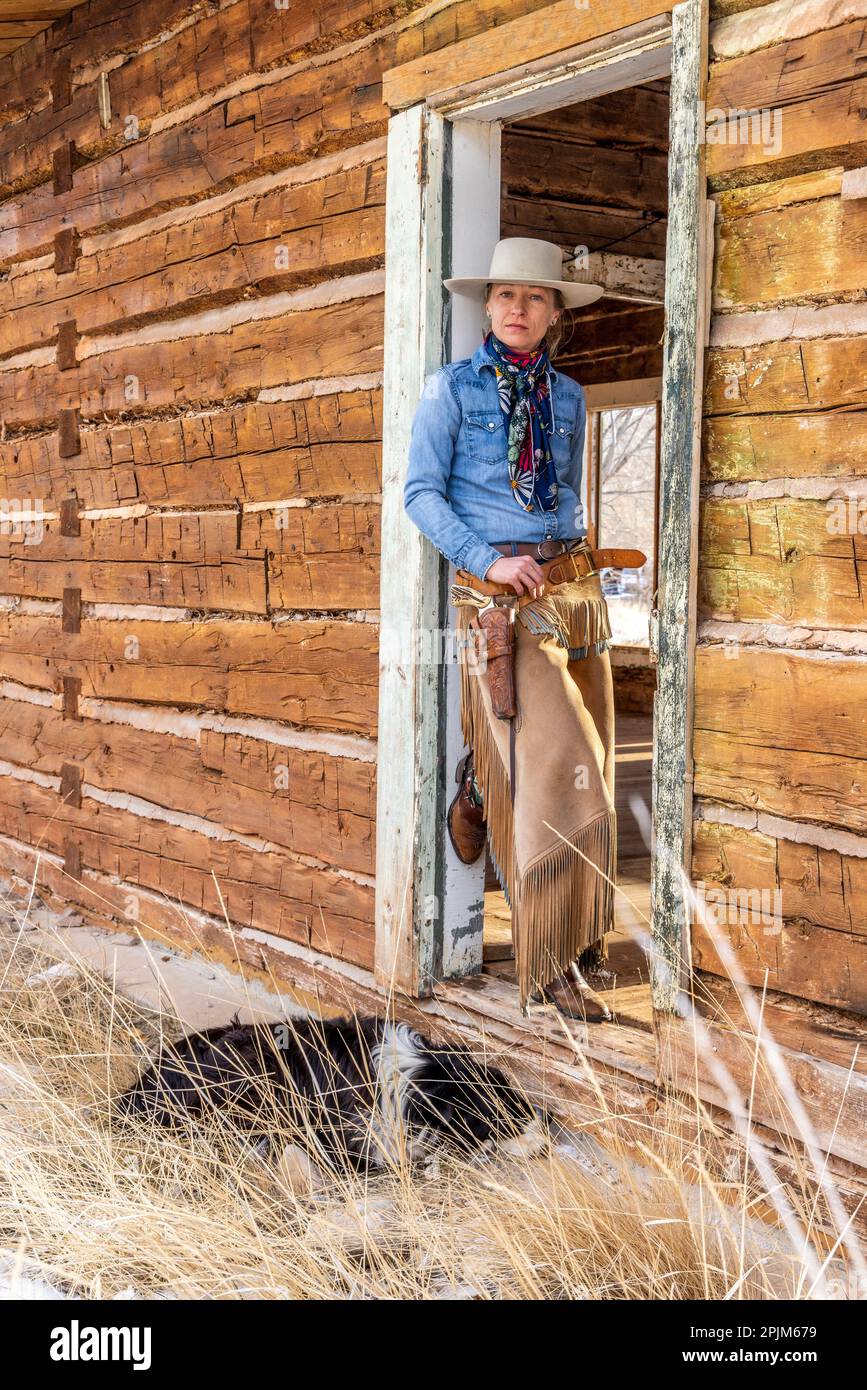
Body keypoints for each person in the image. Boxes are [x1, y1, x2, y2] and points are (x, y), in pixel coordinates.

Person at [403, 236, 620, 1021]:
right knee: (561, 764)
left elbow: (562, 493)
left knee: (594, 751)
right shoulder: (449, 391)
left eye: (533, 297)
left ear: (555, 312)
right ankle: (551, 955)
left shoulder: (568, 398)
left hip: (574, 591)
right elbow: (421, 494)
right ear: (487, 305)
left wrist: (581, 560)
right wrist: (487, 562)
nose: (517, 308)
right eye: (503, 295)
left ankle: (579, 926)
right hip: (501, 603)